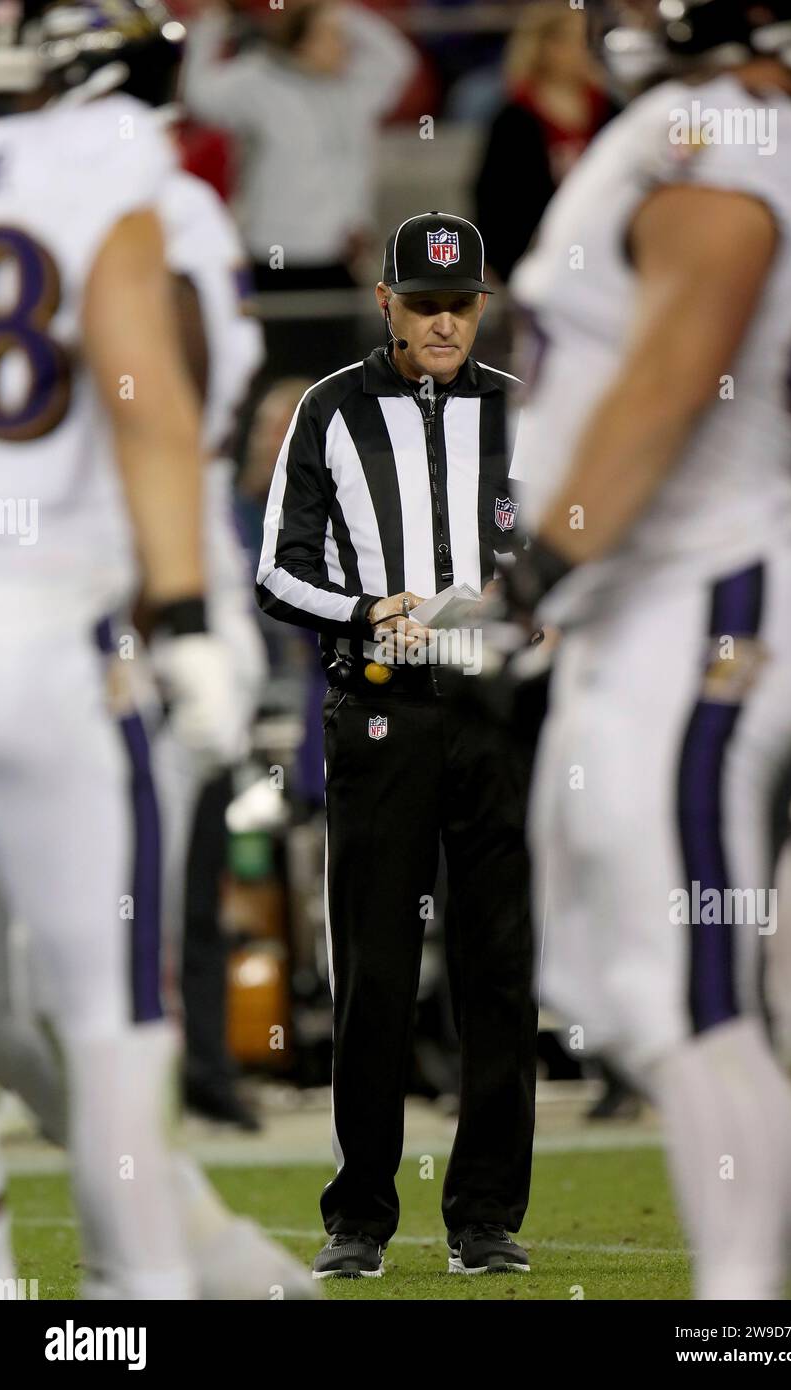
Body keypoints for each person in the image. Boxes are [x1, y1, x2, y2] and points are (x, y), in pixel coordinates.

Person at [512, 0, 791, 1299]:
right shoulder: (754, 131)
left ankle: (739, 1311)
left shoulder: (726, 134)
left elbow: (671, 370)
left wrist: (540, 561)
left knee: (691, 981)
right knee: (619, 983)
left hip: (704, 594)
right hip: (641, 605)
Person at [0, 2, 315, 1299]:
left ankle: (176, 1262)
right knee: (99, 1005)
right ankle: (168, 1272)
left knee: (48, 1005)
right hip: (101, 612)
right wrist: (184, 613)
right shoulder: (131, 184)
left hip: (97, 601)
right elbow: (154, 393)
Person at [257, 212, 538, 1279]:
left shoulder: (521, 411)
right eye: (421, 303)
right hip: (379, 714)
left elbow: (571, 543)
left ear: (479, 303)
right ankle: (359, 1216)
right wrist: (372, 607)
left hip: (496, 718)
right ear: (384, 301)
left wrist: (540, 612)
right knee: (374, 968)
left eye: (458, 302)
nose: (440, 321)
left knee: (499, 969)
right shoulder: (329, 408)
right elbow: (277, 573)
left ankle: (482, 1216)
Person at [181, 0, 417, 374]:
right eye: (332, 37)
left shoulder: (354, 88)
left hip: (339, 258)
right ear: (301, 43)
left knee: (336, 375)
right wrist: (210, 28)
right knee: (275, 372)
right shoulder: (255, 81)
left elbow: (398, 59)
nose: (345, 45)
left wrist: (341, 11)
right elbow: (199, 95)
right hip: (275, 258)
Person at [474, 4, 609, 283]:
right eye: (568, 40)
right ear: (542, 45)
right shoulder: (513, 119)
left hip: (604, 253)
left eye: (586, 39)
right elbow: (494, 198)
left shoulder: (610, 110)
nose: (580, 51)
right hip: (538, 258)